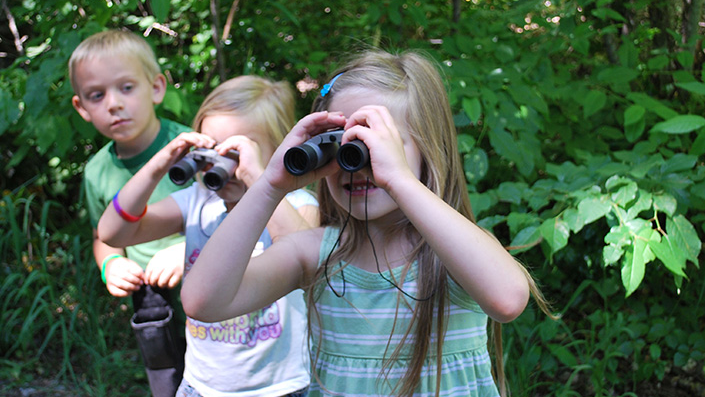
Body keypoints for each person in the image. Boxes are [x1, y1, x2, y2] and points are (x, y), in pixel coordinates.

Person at [180, 50, 553, 396]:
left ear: (427, 151)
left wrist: (400, 179)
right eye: (339, 147)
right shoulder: (314, 252)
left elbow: (508, 301)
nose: (354, 164)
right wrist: (269, 185)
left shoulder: (452, 250)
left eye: (372, 145)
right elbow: (203, 302)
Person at [98, 75, 316, 397]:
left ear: (280, 148)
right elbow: (114, 232)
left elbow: (310, 260)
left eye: (238, 149)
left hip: (281, 386)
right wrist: (158, 164)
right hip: (203, 385)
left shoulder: (297, 205)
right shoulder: (197, 203)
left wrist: (262, 179)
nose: (223, 162)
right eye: (212, 147)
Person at [69, 29, 190, 396]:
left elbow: (234, 219)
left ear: (156, 88)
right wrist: (111, 264)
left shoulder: (191, 147)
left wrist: (189, 250)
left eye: (126, 88)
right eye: (97, 95)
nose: (113, 104)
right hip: (154, 307)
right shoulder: (97, 171)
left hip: (218, 299)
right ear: (82, 108)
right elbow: (102, 237)